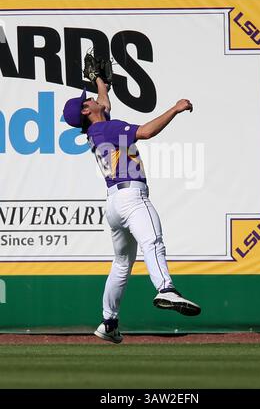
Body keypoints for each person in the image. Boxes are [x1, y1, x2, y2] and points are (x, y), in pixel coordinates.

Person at [63, 65, 201, 344]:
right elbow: (147, 132)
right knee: (153, 241)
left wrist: (101, 81)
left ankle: (109, 322)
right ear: (86, 112)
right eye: (86, 101)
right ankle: (165, 288)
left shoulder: (96, 130)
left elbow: (104, 103)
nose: (91, 98)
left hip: (114, 204)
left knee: (121, 264)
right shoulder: (109, 127)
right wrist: (174, 109)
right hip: (132, 198)